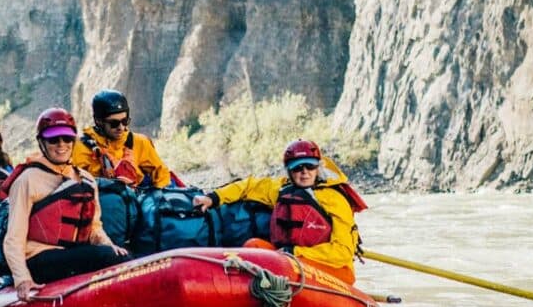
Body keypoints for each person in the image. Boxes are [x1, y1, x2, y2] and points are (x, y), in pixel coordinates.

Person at [193, 138, 367, 282]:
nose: (305, 172)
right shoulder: (280, 190)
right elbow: (248, 186)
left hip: (332, 267)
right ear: (289, 171)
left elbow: (342, 253)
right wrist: (213, 198)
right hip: (289, 261)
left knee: (280, 266)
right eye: (298, 168)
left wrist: (294, 253)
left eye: (310, 166)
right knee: (253, 246)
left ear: (318, 167)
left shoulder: (335, 199)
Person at [2, 107, 130, 300]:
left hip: (71, 254)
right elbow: (13, 238)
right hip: (38, 258)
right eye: (53, 139)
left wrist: (110, 246)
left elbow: (94, 227)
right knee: (104, 257)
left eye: (67, 138)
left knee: (122, 255)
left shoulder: (85, 178)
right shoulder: (26, 180)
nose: (61, 145)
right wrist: (22, 279)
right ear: (42, 143)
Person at [70, 88, 173, 189]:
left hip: (137, 198)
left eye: (124, 121)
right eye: (114, 123)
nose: (121, 127)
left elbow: (161, 174)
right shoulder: (80, 147)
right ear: (99, 121)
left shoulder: (140, 142)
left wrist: (156, 197)